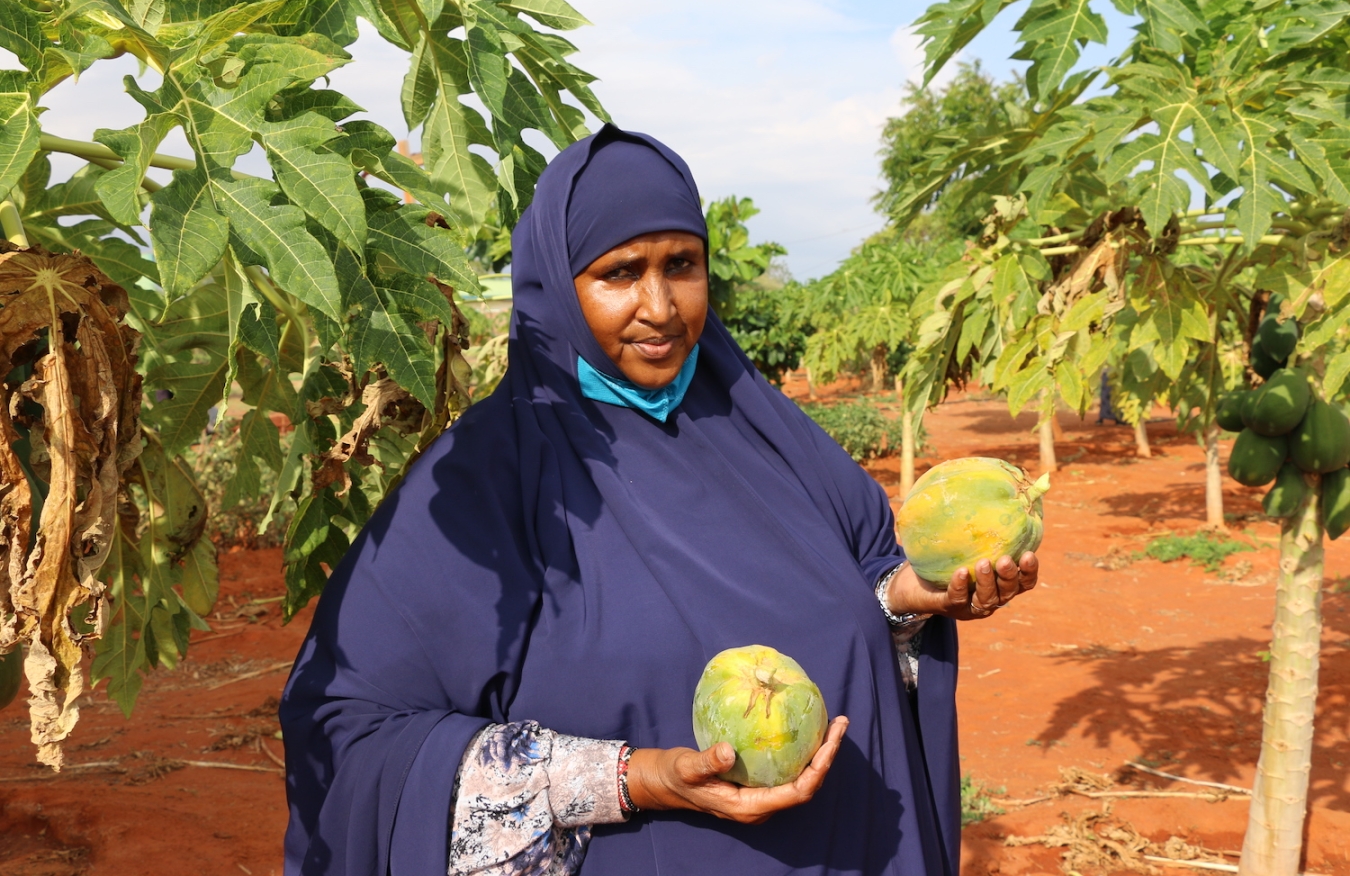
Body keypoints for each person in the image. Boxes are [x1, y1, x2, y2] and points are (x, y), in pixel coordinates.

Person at [279, 124, 1039, 876]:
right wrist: (634, 777)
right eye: (618, 273)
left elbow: (859, 602)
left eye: (682, 264)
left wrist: (908, 599)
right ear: (556, 286)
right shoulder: (480, 486)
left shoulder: (767, 435)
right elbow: (347, 726)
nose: (660, 306)